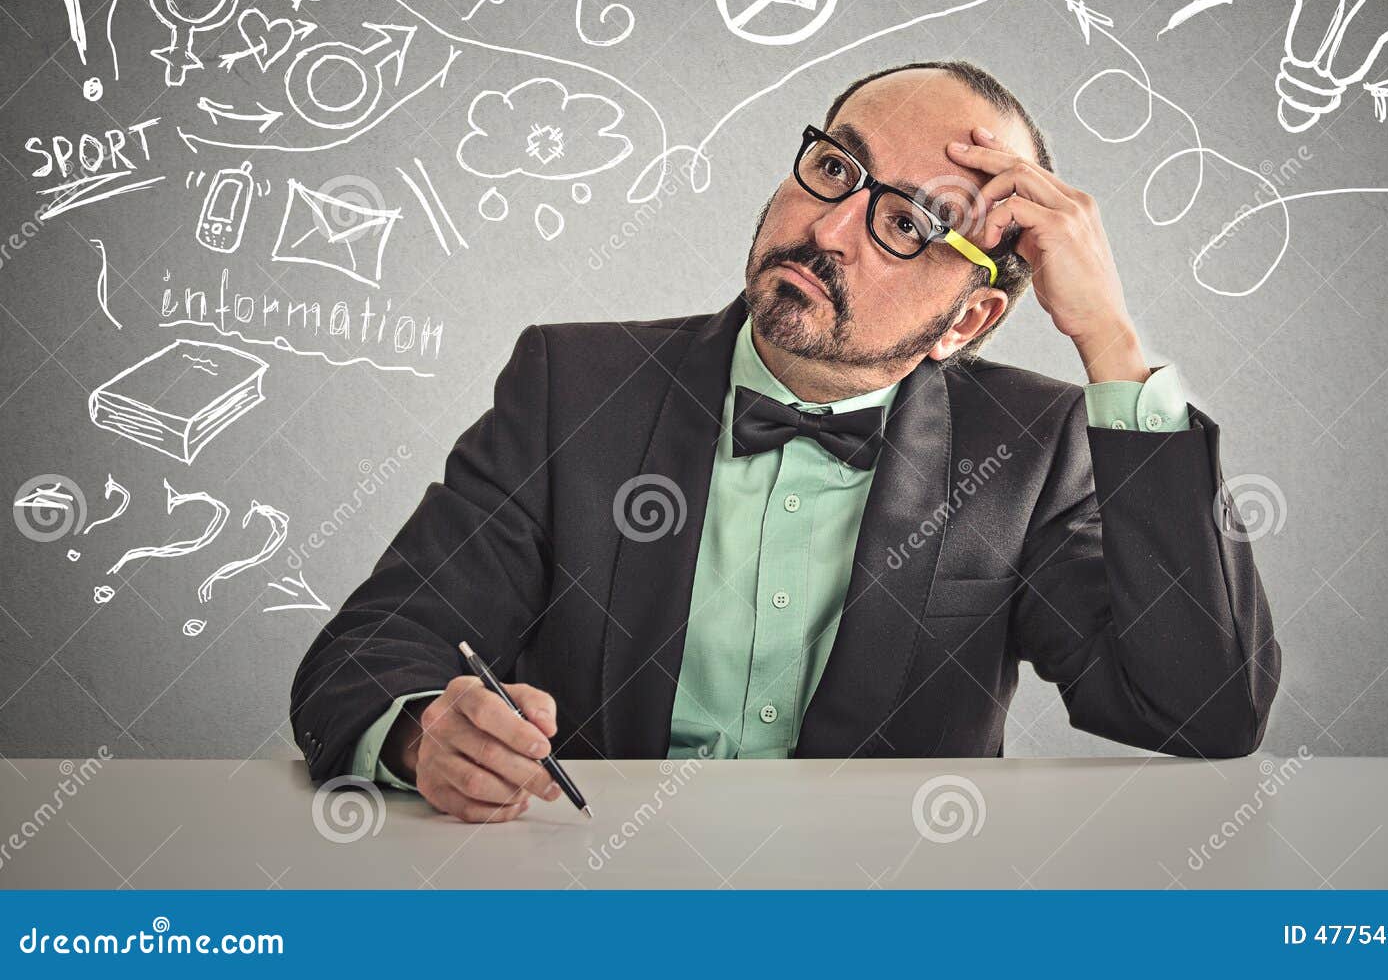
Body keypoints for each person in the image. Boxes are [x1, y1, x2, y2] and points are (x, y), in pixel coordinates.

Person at [290, 60, 1280, 823]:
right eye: (836, 168)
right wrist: (425, 734)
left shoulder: (1033, 444)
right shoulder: (570, 386)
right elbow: (370, 651)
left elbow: (1202, 711)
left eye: (907, 222)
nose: (831, 226)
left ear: (966, 322)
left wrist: (1108, 343)